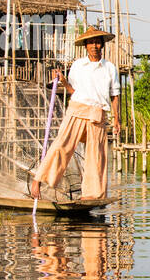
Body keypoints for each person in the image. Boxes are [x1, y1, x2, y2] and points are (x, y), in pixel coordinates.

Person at [30, 26, 121, 200]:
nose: (94, 46)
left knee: (97, 157)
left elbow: (115, 95)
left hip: (97, 114)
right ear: (86, 46)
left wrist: (117, 119)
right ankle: (38, 180)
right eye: (91, 42)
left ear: (102, 45)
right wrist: (63, 81)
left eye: (97, 42)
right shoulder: (79, 65)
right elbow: (73, 91)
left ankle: (93, 194)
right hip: (78, 109)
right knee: (62, 145)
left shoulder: (110, 68)